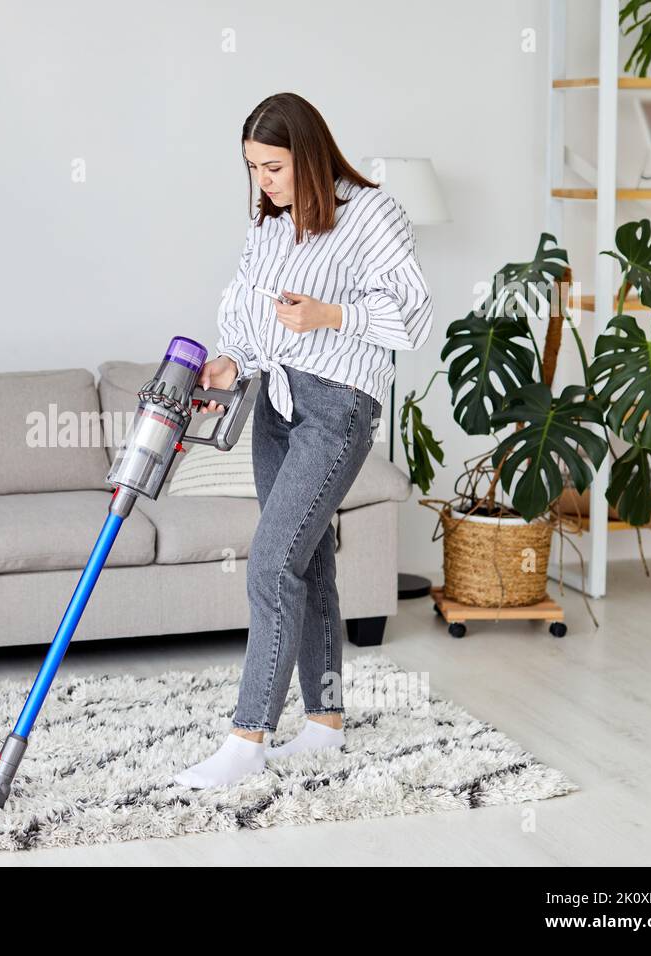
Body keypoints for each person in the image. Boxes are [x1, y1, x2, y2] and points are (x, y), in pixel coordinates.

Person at [174, 92, 434, 789]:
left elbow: (413, 317)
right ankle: (324, 726)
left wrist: (332, 315)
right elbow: (250, 320)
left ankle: (246, 739)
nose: (264, 181)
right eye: (254, 168)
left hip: (336, 409)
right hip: (275, 404)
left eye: (275, 167)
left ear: (310, 155)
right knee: (309, 563)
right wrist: (230, 362)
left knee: (269, 565)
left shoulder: (372, 214)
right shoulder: (271, 225)